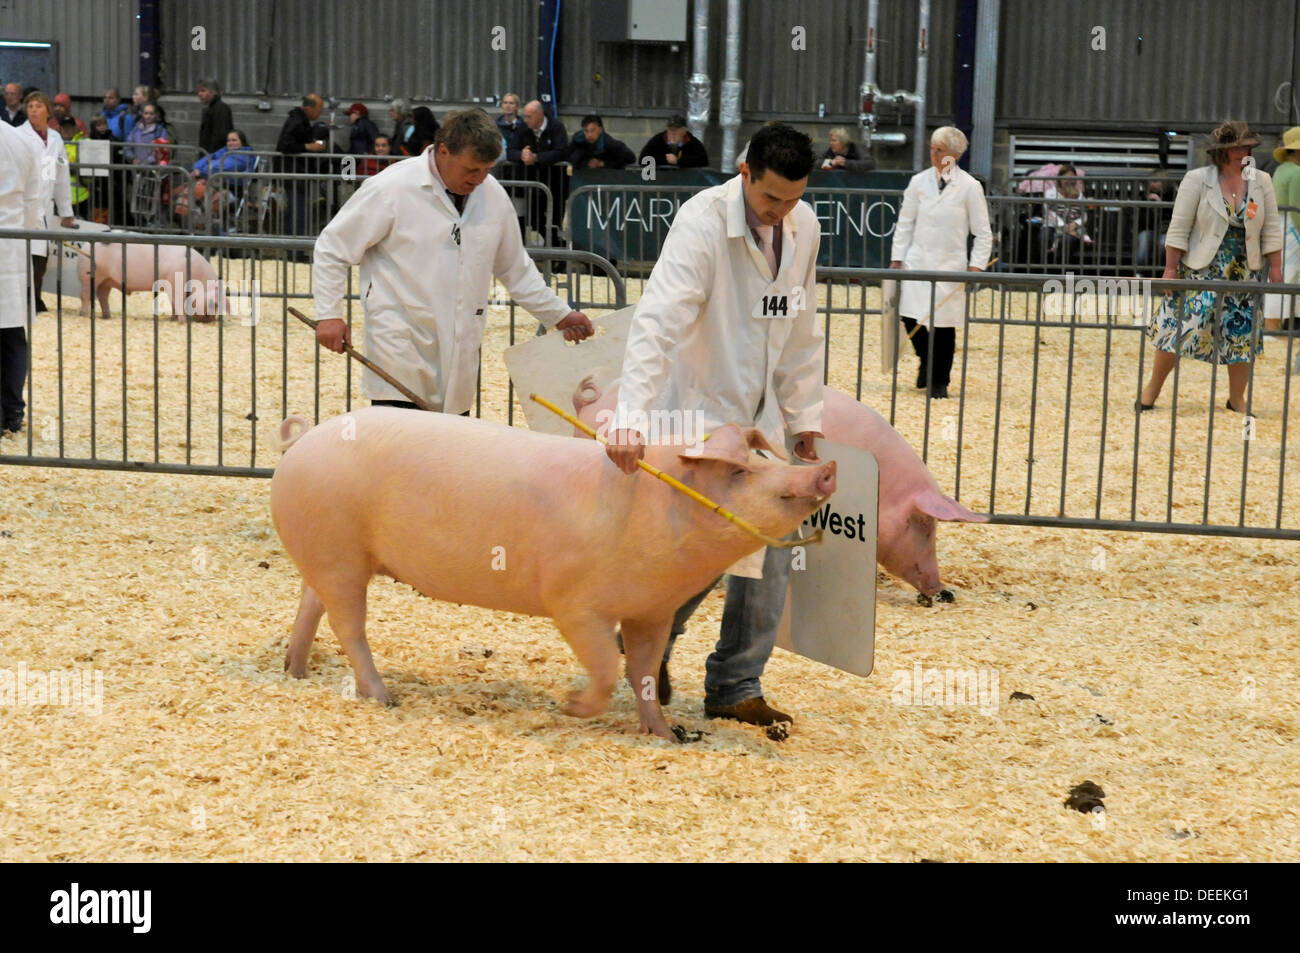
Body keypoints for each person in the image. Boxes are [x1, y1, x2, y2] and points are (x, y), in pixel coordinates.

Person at [605, 123, 823, 727]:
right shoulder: (703, 221)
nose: (781, 212)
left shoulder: (804, 228)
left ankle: (735, 685)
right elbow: (659, 320)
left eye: (794, 199)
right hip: (698, 412)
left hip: (766, 421)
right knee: (699, 551)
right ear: (745, 171)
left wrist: (805, 417)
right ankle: (649, 642)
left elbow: (801, 327)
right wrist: (631, 417)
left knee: (772, 545)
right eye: (771, 198)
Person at [312, 108, 593, 414]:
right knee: (400, 449)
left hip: (460, 348)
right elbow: (333, 247)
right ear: (443, 151)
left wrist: (559, 315)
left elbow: (516, 270)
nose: (479, 179)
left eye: (487, 169)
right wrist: (329, 314)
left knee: (448, 451)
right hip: (400, 346)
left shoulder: (493, 196)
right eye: (471, 170)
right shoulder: (391, 188)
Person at [1139, 121, 1283, 414]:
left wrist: (1277, 268)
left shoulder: (1262, 181)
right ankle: (1150, 391)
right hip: (1200, 268)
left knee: (1240, 336)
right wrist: (1170, 269)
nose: (1244, 151)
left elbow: (1271, 228)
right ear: (1222, 151)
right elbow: (1178, 227)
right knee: (1177, 329)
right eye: (1237, 147)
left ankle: (1236, 399)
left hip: (1245, 272)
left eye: (1248, 146)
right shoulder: (1197, 179)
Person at [889, 127, 991, 399]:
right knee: (911, 318)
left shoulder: (970, 187)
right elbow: (905, 222)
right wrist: (897, 258)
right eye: (932, 149)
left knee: (943, 326)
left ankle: (939, 382)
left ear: (955, 155)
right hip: (917, 261)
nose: (933, 155)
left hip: (950, 265)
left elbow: (982, 231)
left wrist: (975, 267)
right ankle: (925, 360)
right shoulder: (918, 182)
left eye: (940, 150)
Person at [0, 118, 42, 437]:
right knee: (12, 335)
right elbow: (32, 206)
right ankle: (12, 412)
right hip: (11, 249)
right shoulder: (20, 140)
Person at [19, 92, 75, 315]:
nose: (33, 110)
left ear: (48, 111)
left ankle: (35, 297)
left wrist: (66, 210)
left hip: (44, 204)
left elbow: (61, 176)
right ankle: (23, 299)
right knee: (21, 252)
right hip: (22, 203)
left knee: (41, 254)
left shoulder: (55, 139)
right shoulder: (18, 135)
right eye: (30, 106)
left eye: (38, 106)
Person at [507, 100, 568, 245]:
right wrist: (521, 155)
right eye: (525, 116)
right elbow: (510, 151)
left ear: (540, 115)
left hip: (555, 182)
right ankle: (555, 245)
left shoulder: (556, 127)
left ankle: (556, 249)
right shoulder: (523, 128)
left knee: (554, 219)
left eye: (529, 117)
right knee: (534, 218)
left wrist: (537, 158)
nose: (526, 120)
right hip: (533, 183)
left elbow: (562, 152)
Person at [276, 93, 329, 239]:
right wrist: (308, 147)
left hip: (298, 173)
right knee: (297, 212)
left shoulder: (301, 121)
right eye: (318, 109)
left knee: (298, 210)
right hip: (295, 173)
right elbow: (284, 145)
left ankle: (294, 249)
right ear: (308, 108)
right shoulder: (296, 122)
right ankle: (295, 251)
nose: (320, 113)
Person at [1265, 126, 1300, 331]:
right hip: (1292, 228)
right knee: (1288, 274)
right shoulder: (1296, 173)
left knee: (1283, 273)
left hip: (1280, 226)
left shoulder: (1281, 170)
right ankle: (1273, 325)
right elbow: (1297, 209)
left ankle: (1274, 325)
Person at [1041, 164, 1091, 266]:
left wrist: (1075, 224)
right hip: (1052, 225)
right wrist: (1063, 226)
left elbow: (1084, 214)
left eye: (1072, 178)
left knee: (1067, 240)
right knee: (1044, 237)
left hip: (1072, 228)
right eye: (1066, 178)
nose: (1069, 181)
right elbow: (1049, 212)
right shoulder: (1050, 193)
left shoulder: (1079, 194)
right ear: (1059, 179)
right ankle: (1042, 270)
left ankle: (1063, 273)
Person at [639, 114, 709, 169]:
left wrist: (679, 161)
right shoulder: (658, 139)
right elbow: (643, 159)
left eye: (676, 130)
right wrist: (665, 160)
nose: (672, 133)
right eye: (670, 129)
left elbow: (703, 161)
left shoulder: (692, 142)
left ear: (684, 131)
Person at [568, 114, 636, 170]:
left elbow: (631, 158)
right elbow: (568, 157)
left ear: (600, 130)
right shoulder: (578, 140)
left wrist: (602, 163)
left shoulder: (610, 144)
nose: (589, 135)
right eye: (586, 131)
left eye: (593, 130)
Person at [57, 116, 91, 218]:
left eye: (69, 127)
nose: (66, 130)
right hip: (58, 197)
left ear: (75, 129)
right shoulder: (54, 143)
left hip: (81, 196)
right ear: (60, 129)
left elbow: (88, 169)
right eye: (64, 127)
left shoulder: (85, 142)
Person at [196, 79, 234, 156]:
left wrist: (211, 157)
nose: (199, 94)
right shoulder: (209, 109)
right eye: (199, 91)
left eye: (203, 91)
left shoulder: (221, 109)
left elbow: (220, 136)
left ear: (213, 92)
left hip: (215, 157)